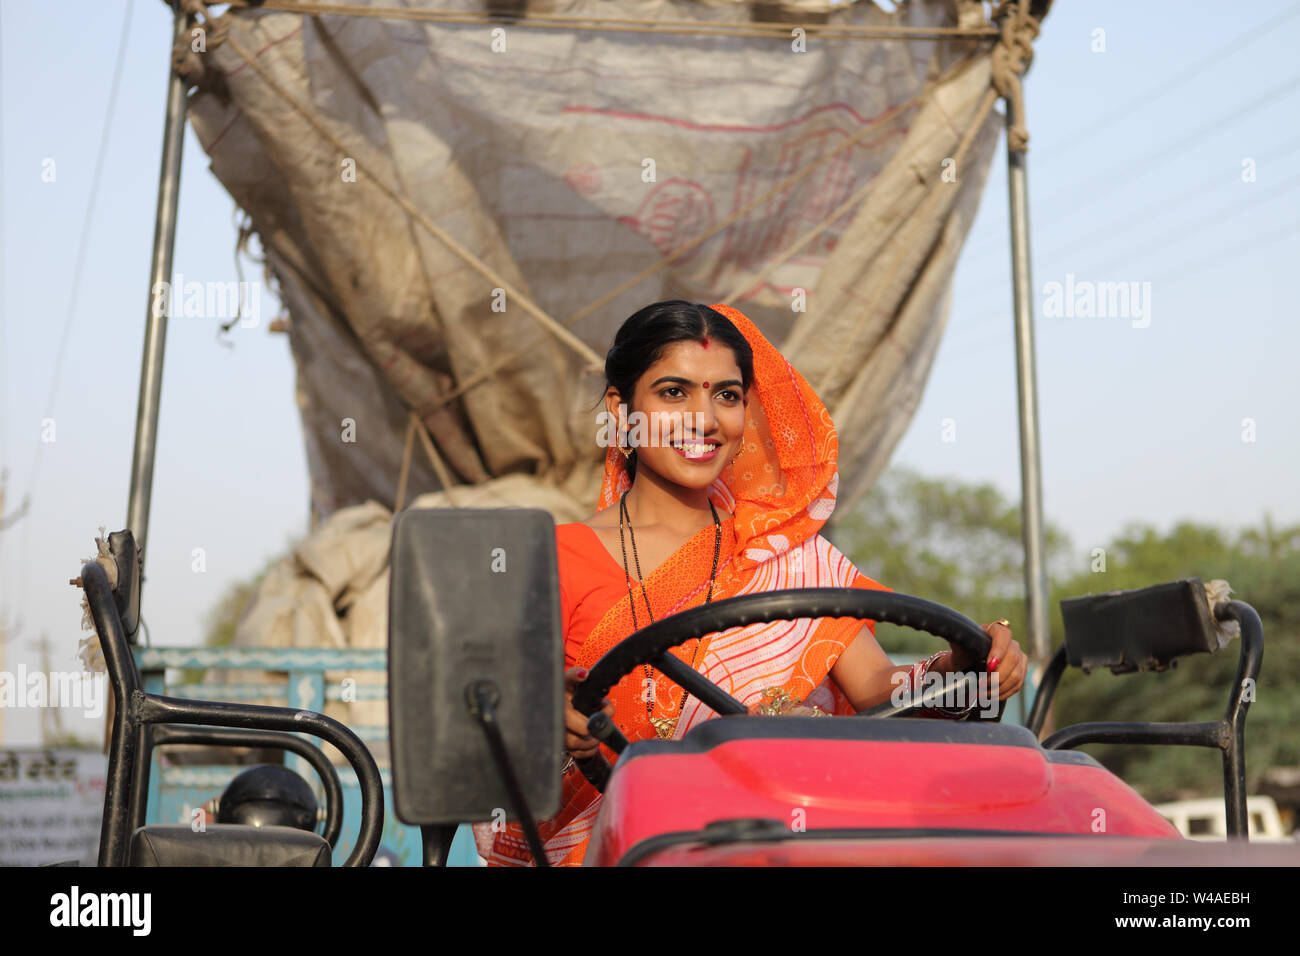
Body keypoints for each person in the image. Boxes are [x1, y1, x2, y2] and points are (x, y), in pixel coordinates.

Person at [472, 301, 1026, 866]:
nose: (705, 420)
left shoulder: (788, 555)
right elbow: (498, 740)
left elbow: (880, 694)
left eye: (727, 396)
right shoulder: (552, 559)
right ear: (621, 410)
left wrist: (960, 669)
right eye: (673, 392)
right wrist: (547, 721)